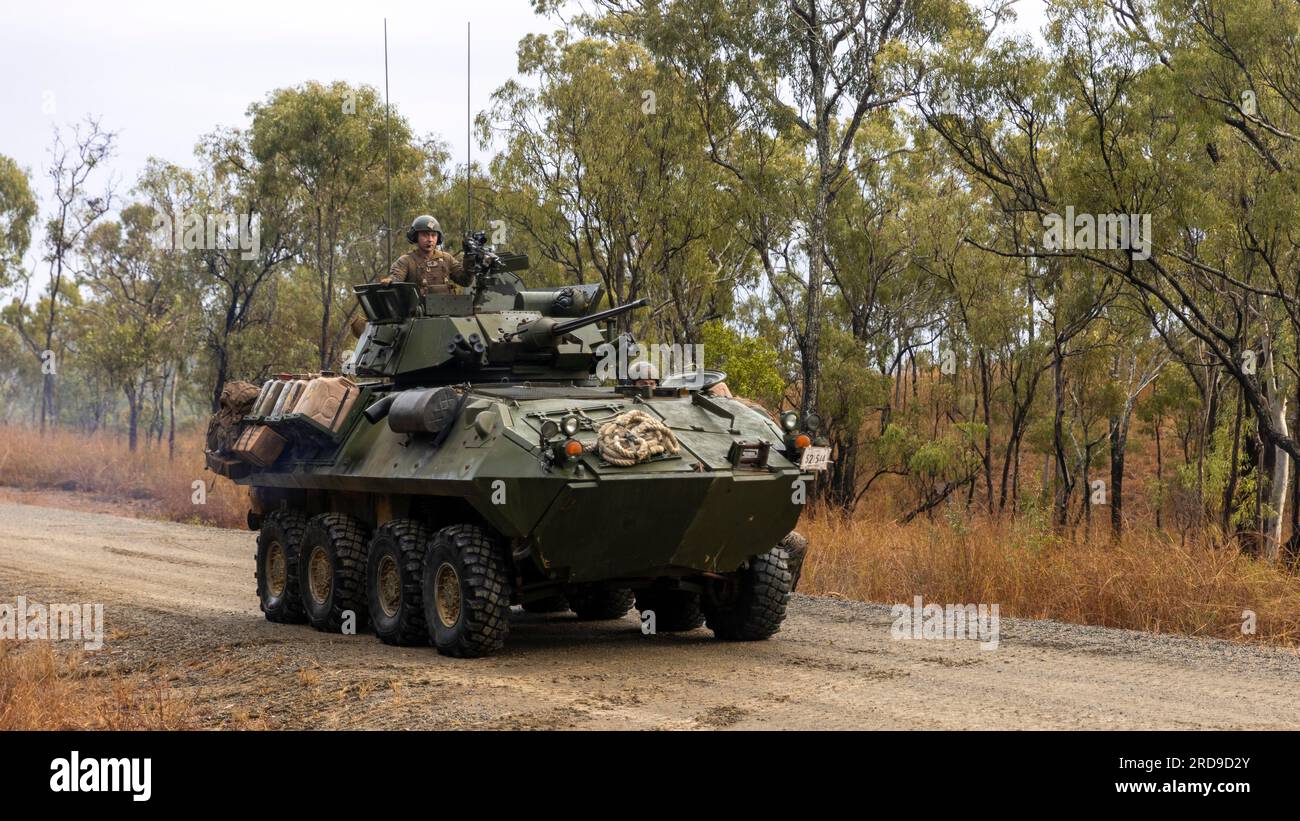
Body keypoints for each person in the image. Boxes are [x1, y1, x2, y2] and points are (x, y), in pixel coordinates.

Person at [382, 215, 473, 294]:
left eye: (433, 235)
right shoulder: (406, 261)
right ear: (415, 236)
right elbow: (397, 279)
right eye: (425, 235)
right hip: (418, 312)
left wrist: (469, 258)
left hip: (447, 310)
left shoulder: (446, 258)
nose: (430, 239)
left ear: (438, 237)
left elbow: (465, 281)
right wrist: (391, 281)